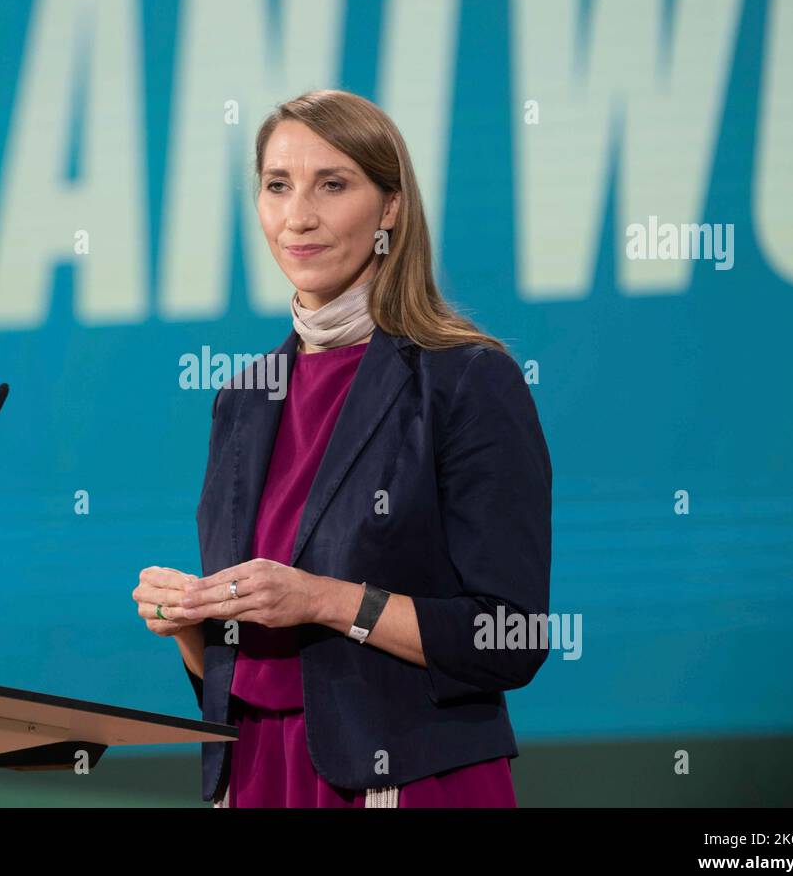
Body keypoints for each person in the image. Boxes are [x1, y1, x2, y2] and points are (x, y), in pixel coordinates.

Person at [133, 88, 552, 807]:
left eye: (333, 185)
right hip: (260, 773)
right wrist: (188, 622)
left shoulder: (465, 379)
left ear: (390, 207)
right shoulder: (243, 397)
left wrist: (325, 600)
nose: (299, 216)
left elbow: (508, 637)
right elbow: (240, 674)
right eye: (277, 186)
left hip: (409, 780)